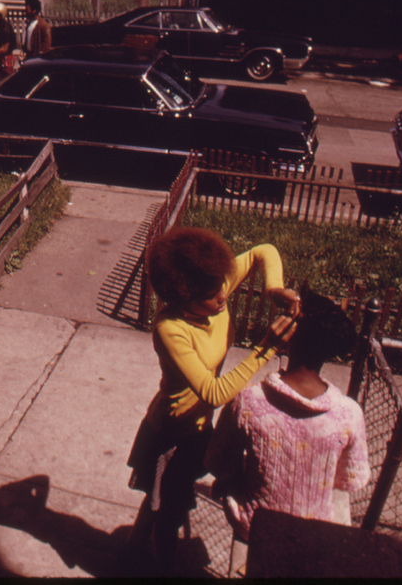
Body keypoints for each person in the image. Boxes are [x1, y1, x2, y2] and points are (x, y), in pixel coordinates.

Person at [123, 227, 301, 574]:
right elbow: (214, 392)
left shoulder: (211, 286)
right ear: (183, 298)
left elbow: (264, 248)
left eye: (223, 284)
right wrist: (266, 349)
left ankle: (130, 552)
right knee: (169, 515)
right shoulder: (170, 328)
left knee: (160, 501)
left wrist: (274, 287)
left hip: (199, 428)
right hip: (172, 436)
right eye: (212, 293)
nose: (223, 295)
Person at [204, 286, 370, 542]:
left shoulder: (248, 402)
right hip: (313, 532)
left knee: (225, 484)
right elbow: (348, 480)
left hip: (256, 528)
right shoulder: (349, 414)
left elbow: (217, 462)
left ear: (287, 334)